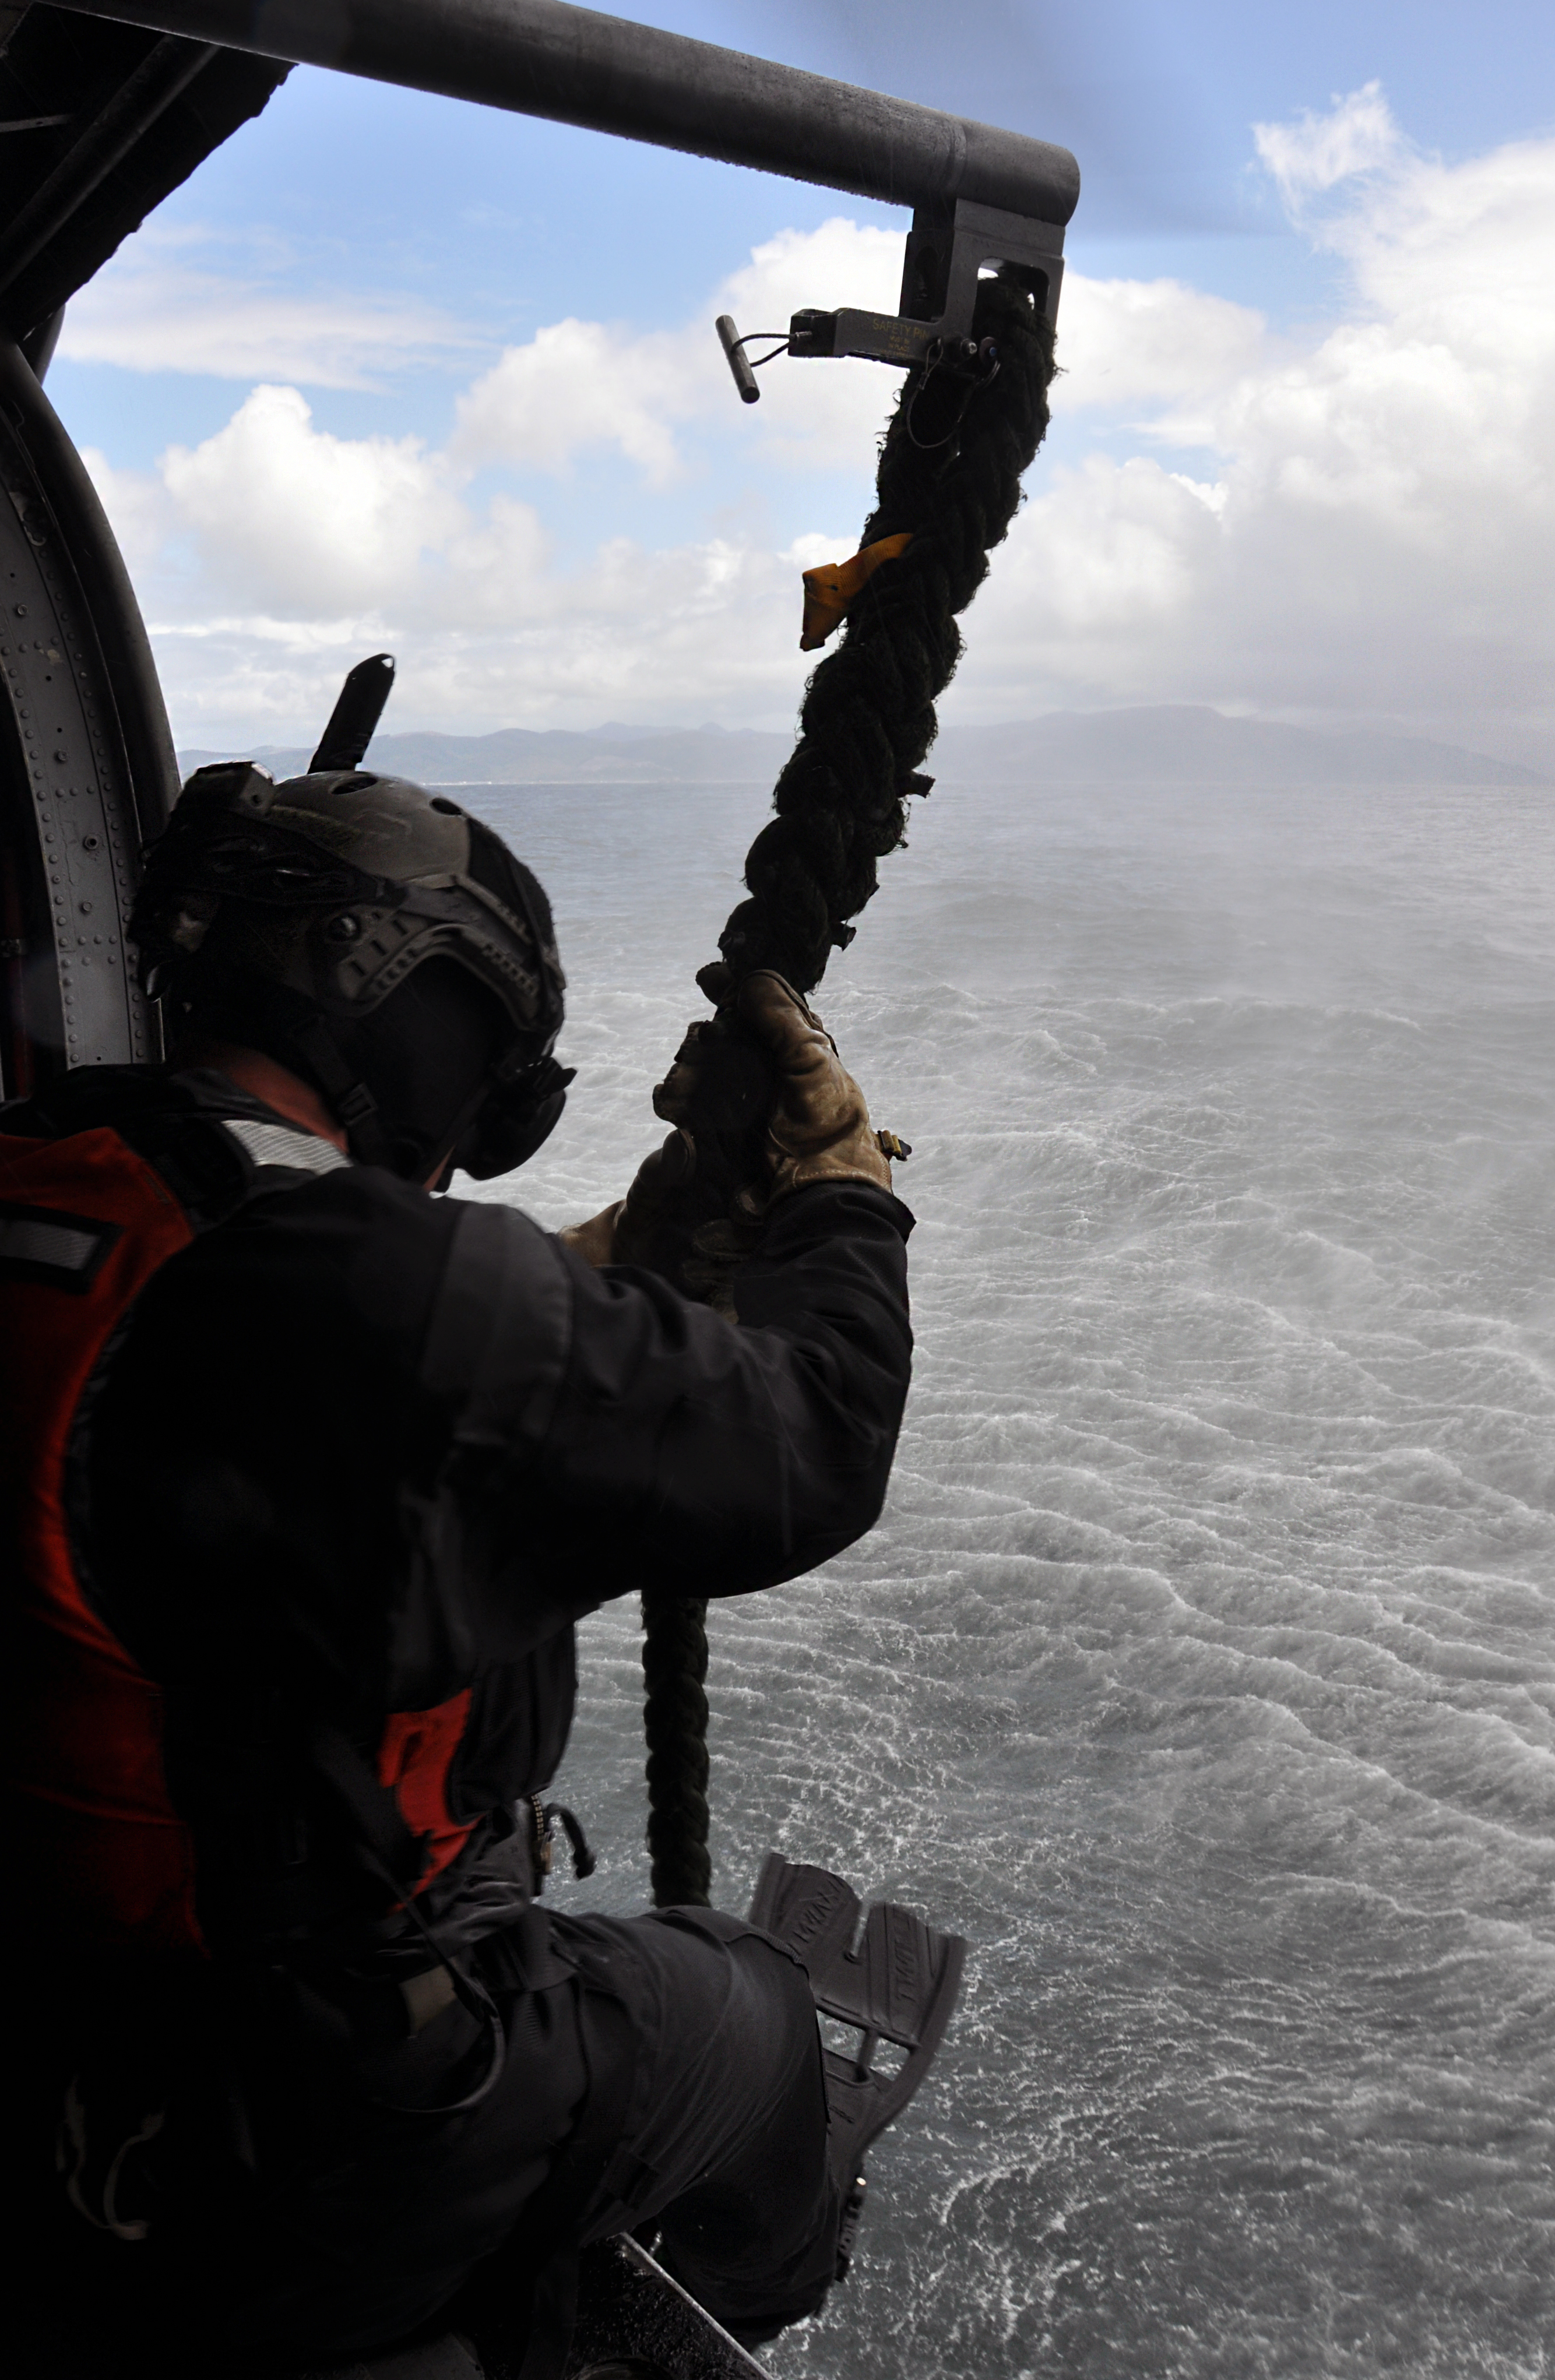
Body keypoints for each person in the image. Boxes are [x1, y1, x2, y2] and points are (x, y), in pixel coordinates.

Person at [1, 759, 914, 2372]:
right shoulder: (369, 1293)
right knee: (755, 2017)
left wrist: (616, 1265)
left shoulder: (58, 1180)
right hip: (301, 2149)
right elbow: (815, 1447)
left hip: (56, 2030)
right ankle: (699, 2300)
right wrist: (842, 1202)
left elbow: (231, 1351)